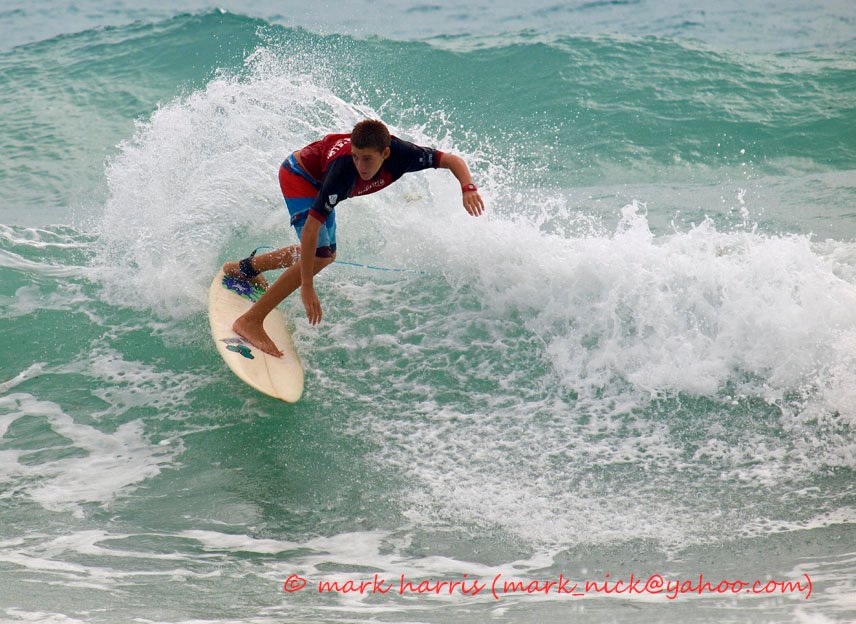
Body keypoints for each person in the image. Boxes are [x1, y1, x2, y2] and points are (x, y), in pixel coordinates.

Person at [222, 119, 485, 357]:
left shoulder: (405, 155)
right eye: (357, 157)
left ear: (385, 153)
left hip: (320, 180)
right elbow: (312, 228)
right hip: (299, 175)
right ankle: (251, 321)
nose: (361, 166)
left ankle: (244, 269)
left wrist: (468, 187)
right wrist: (307, 286)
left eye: (367, 159)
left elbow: (450, 160)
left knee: (325, 255)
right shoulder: (343, 170)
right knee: (317, 255)